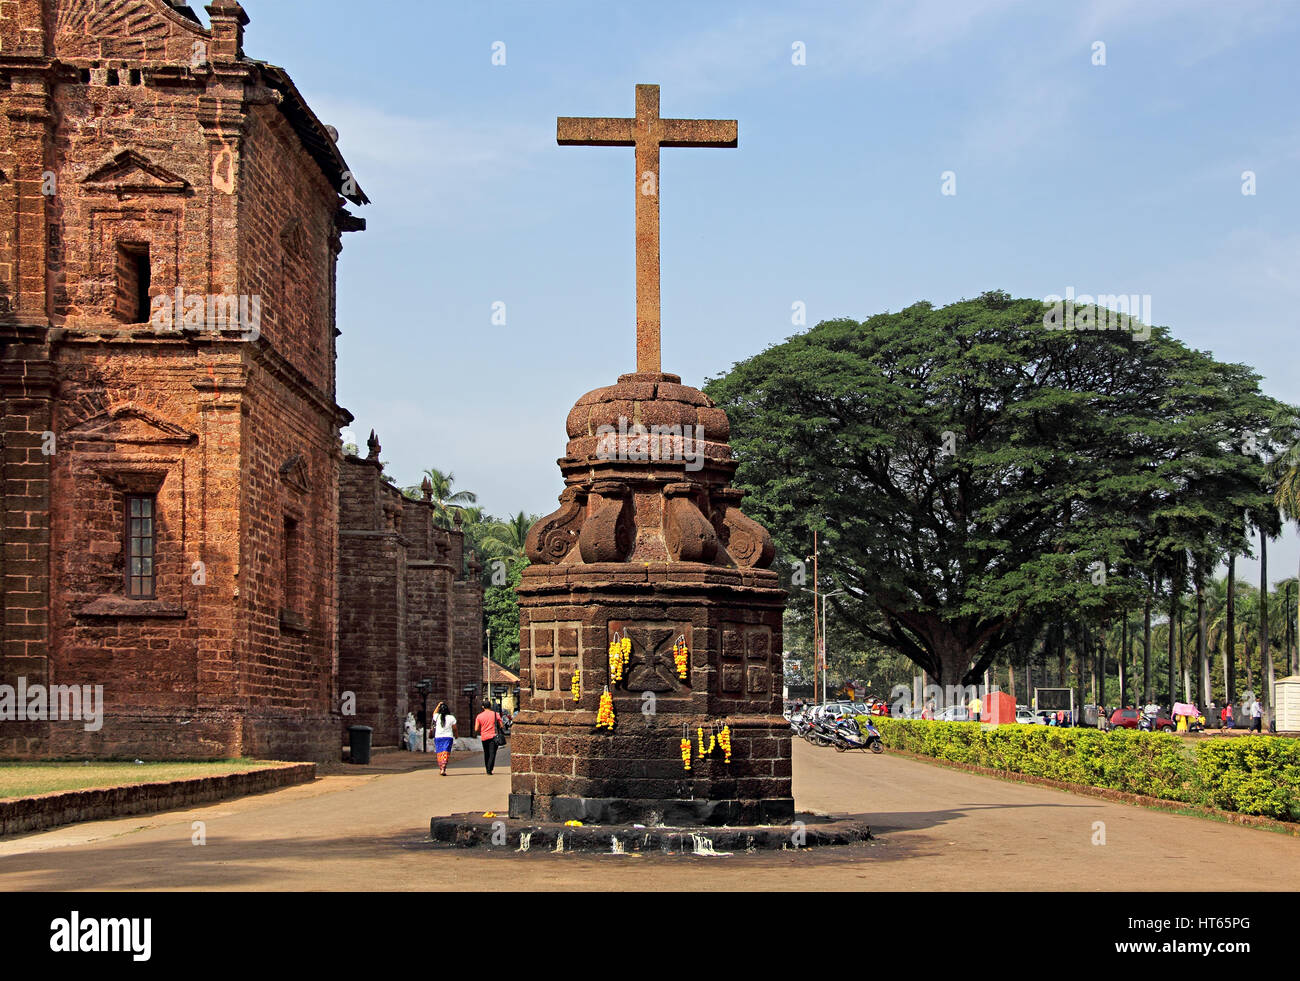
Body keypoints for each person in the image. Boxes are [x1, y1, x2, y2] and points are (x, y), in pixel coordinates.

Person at [474, 698, 504, 775]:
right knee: (492, 753)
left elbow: (476, 728)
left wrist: (483, 727)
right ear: (490, 706)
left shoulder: (479, 716)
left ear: (483, 707)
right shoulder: (495, 714)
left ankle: (487, 767)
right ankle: (489, 769)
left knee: (486, 753)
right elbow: (501, 725)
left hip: (484, 736)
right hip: (493, 736)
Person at [431, 701, 456, 776]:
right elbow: (455, 728)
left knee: (439, 752)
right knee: (446, 752)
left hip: (438, 737)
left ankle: (441, 768)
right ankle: (443, 767)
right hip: (448, 737)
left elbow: (434, 713)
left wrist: (438, 705)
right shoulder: (451, 718)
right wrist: (456, 735)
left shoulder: (437, 716)